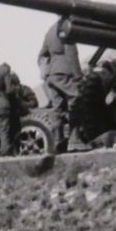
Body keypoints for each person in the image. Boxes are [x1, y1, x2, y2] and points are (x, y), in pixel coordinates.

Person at [39, 19, 87, 150]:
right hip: (65, 71)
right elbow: (71, 54)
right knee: (77, 99)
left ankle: (58, 141)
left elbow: (42, 55)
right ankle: (75, 139)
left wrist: (46, 73)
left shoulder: (50, 30)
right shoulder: (66, 27)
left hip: (52, 75)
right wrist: (78, 77)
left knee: (57, 107)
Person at [0, 62, 24, 157]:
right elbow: (9, 90)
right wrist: (16, 89)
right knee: (5, 129)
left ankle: (2, 151)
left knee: (1, 129)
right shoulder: (5, 71)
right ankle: (5, 151)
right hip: (4, 104)